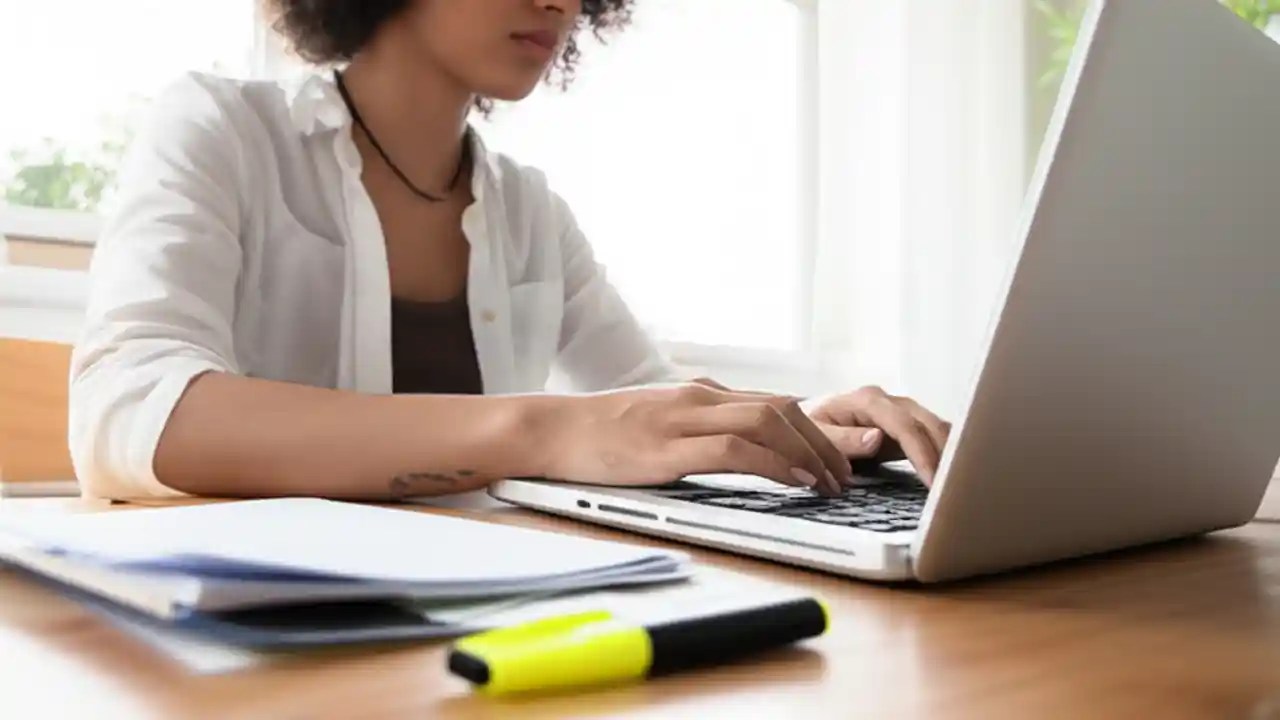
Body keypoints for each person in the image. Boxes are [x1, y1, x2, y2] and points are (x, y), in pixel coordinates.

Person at [69, 0, 950, 502]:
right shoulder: (222, 129)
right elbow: (126, 412)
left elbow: (642, 409)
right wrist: (539, 428)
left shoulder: (530, 212)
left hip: (481, 645)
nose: (559, 0)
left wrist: (804, 427)